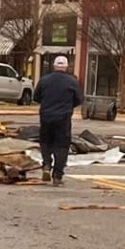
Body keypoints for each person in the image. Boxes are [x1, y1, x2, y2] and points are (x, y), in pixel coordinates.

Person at [35, 55, 84, 186]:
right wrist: (67, 106)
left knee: (45, 142)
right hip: (63, 118)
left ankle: (46, 164)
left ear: (54, 66)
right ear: (66, 66)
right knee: (62, 146)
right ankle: (57, 176)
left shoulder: (44, 80)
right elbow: (79, 99)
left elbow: (36, 97)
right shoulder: (72, 81)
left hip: (46, 117)